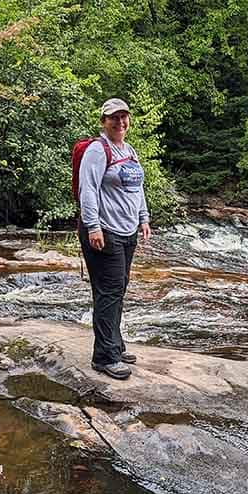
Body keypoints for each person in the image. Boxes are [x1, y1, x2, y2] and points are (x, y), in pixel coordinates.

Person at [78, 98, 151, 379]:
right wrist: (93, 226)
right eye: (113, 117)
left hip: (127, 231)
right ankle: (104, 357)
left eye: (124, 117)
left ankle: (115, 345)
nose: (120, 122)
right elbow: (87, 190)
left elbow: (138, 188)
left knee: (118, 288)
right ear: (103, 121)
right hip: (104, 230)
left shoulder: (129, 150)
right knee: (108, 292)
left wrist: (143, 217)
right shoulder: (97, 150)